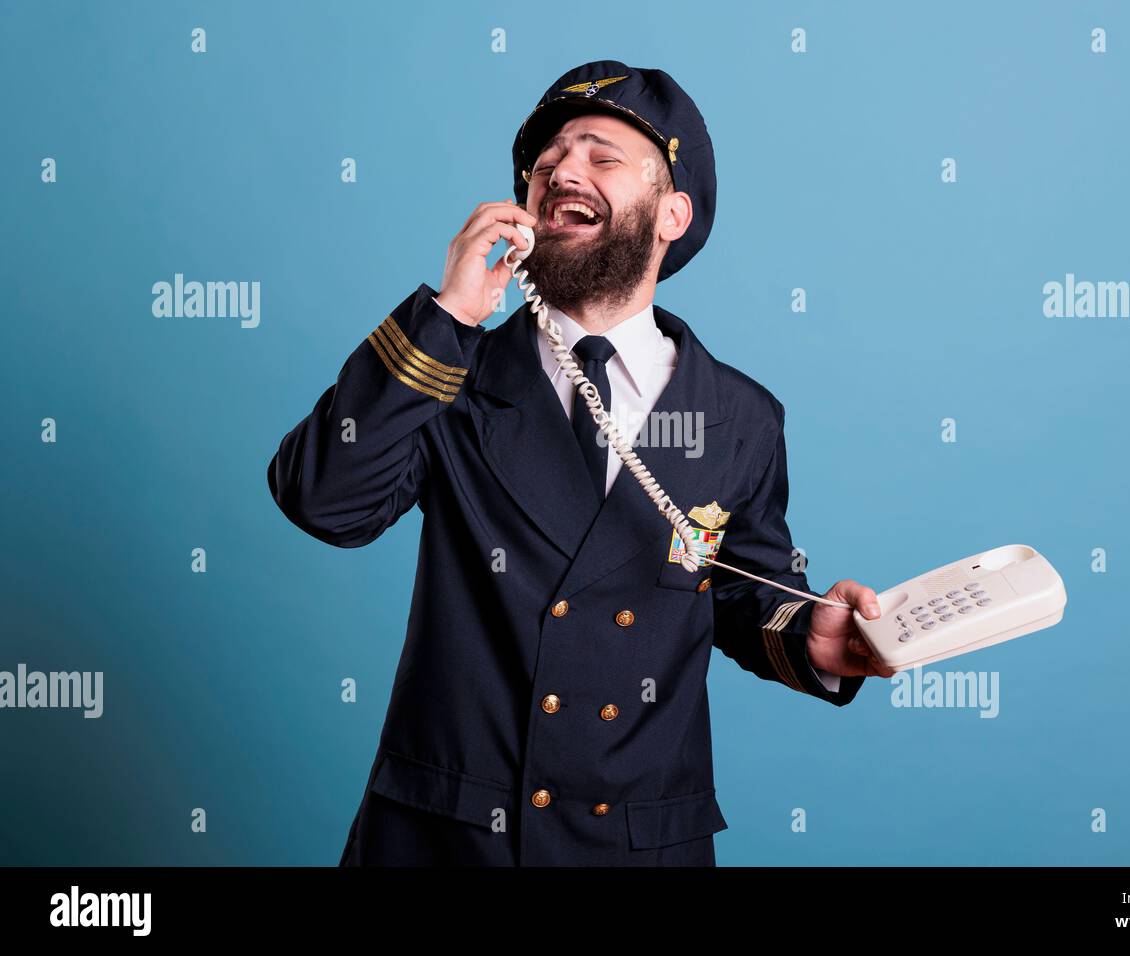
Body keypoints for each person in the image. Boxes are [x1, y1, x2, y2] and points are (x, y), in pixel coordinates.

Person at [267, 60, 887, 867]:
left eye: (599, 155)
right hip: (445, 844)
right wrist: (450, 315)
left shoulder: (740, 418)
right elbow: (323, 501)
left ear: (672, 214)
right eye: (548, 160)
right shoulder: (450, 375)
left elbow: (738, 592)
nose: (559, 170)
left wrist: (811, 638)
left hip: (635, 847)